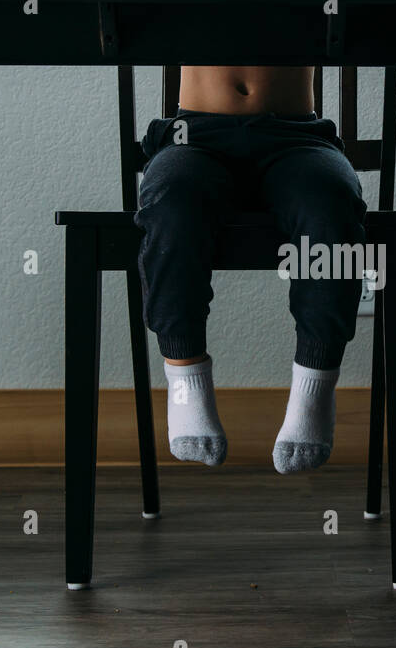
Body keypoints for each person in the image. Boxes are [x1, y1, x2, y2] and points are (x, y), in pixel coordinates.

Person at [134, 66, 367, 473]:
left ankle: (316, 384)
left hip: (297, 137)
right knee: (172, 207)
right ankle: (185, 377)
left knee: (331, 208)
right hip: (195, 135)